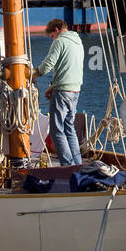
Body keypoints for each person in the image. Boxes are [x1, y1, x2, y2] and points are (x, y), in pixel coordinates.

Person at [34, 18, 84, 166]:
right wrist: (53, 86)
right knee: (69, 128)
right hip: (75, 90)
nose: (52, 39)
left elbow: (47, 66)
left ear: (56, 30)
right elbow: (69, 67)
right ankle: (77, 164)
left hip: (62, 92)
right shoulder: (77, 41)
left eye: (51, 36)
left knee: (56, 131)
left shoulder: (60, 41)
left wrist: (30, 75)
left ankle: (67, 166)